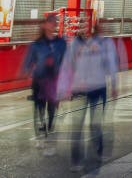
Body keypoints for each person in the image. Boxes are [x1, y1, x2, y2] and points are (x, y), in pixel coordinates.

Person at [57, 22, 120, 172]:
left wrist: (114, 83)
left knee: (95, 123)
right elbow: (67, 66)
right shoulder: (74, 45)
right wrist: (63, 89)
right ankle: (76, 159)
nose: (86, 31)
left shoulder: (105, 44)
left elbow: (111, 63)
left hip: (98, 87)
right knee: (77, 126)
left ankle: (98, 149)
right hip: (79, 89)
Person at [21, 14, 67, 156]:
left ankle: (49, 132)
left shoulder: (61, 43)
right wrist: (25, 71)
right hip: (39, 80)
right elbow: (28, 62)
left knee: (52, 110)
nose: (53, 24)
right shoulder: (36, 44)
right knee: (40, 108)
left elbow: (67, 61)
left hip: (54, 80)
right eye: (51, 22)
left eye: (55, 22)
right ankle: (41, 133)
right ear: (45, 25)